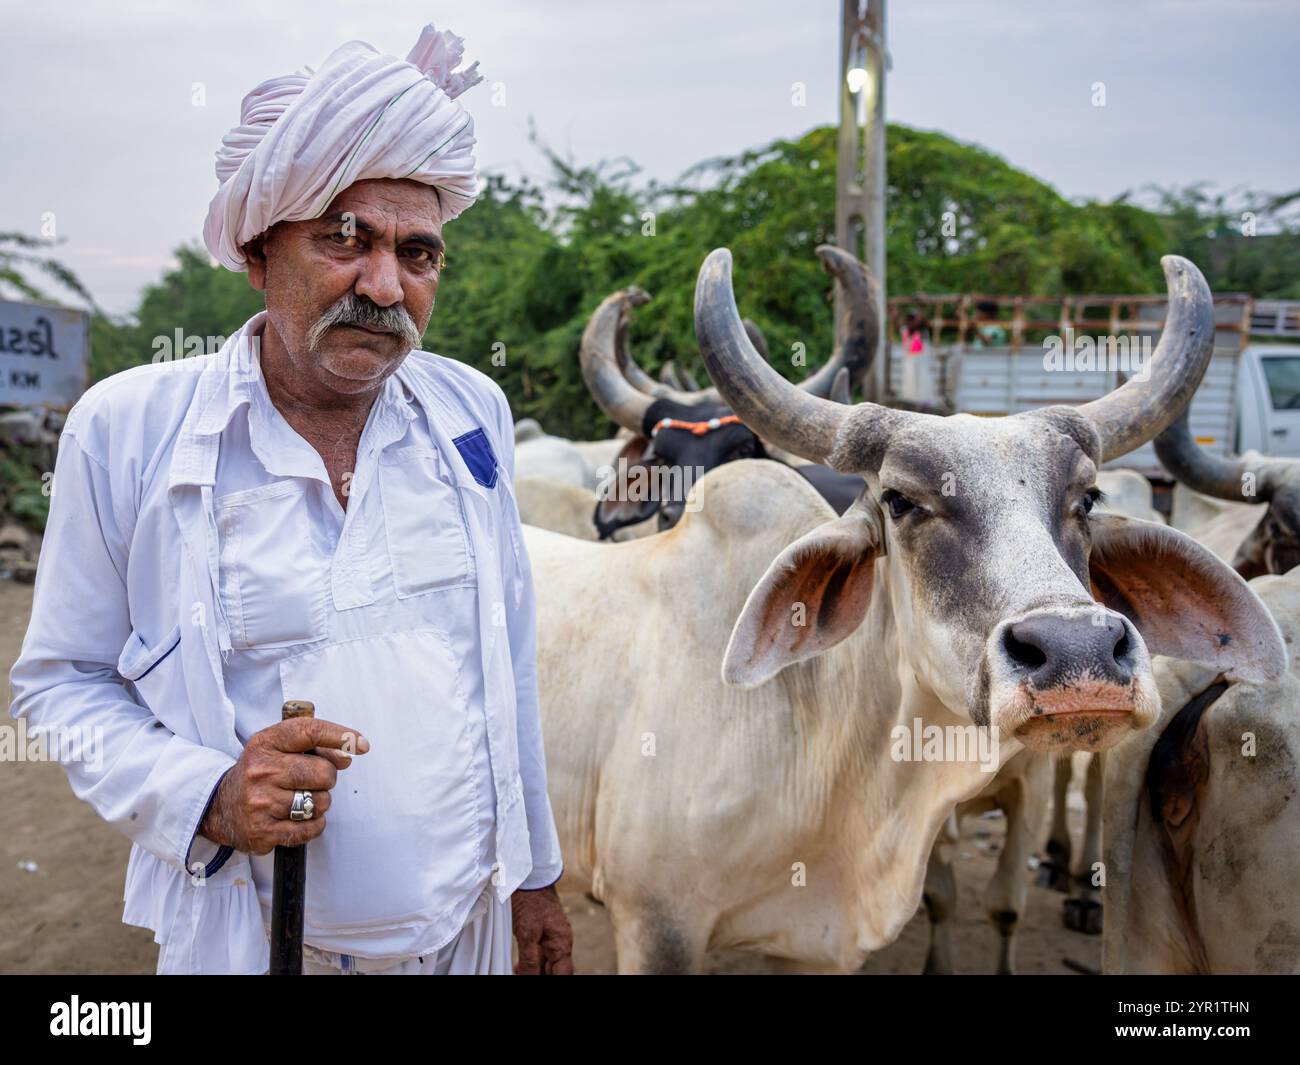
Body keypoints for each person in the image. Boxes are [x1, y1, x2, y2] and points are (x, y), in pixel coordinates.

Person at [9, 23, 573, 975]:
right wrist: (211, 795)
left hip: (464, 939)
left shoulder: (470, 412)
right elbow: (62, 679)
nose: (384, 284)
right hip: (251, 946)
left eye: (419, 253)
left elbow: (503, 664)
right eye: (344, 239)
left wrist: (536, 875)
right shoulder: (128, 431)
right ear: (260, 251)